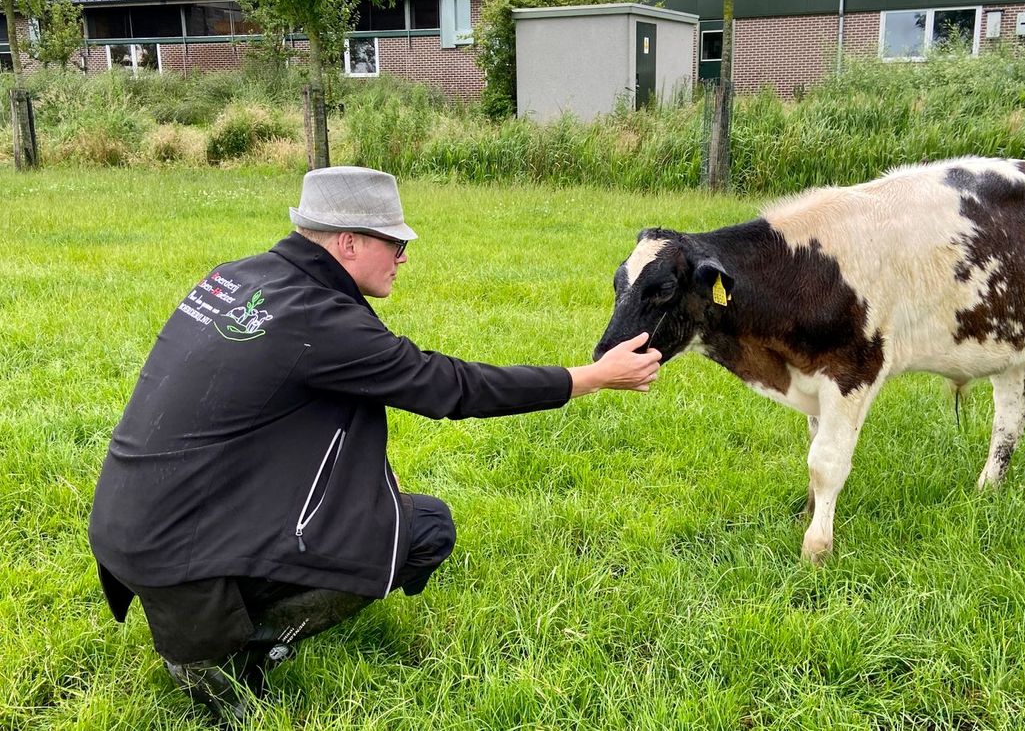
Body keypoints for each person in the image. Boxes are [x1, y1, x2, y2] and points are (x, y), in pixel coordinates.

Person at [88, 166, 661, 723]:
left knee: (386, 514)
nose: (404, 257)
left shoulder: (237, 277)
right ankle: (222, 655)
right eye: (393, 242)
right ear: (348, 243)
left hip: (131, 529)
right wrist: (591, 377)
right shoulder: (320, 318)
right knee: (422, 533)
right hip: (178, 552)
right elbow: (451, 387)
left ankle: (209, 623)